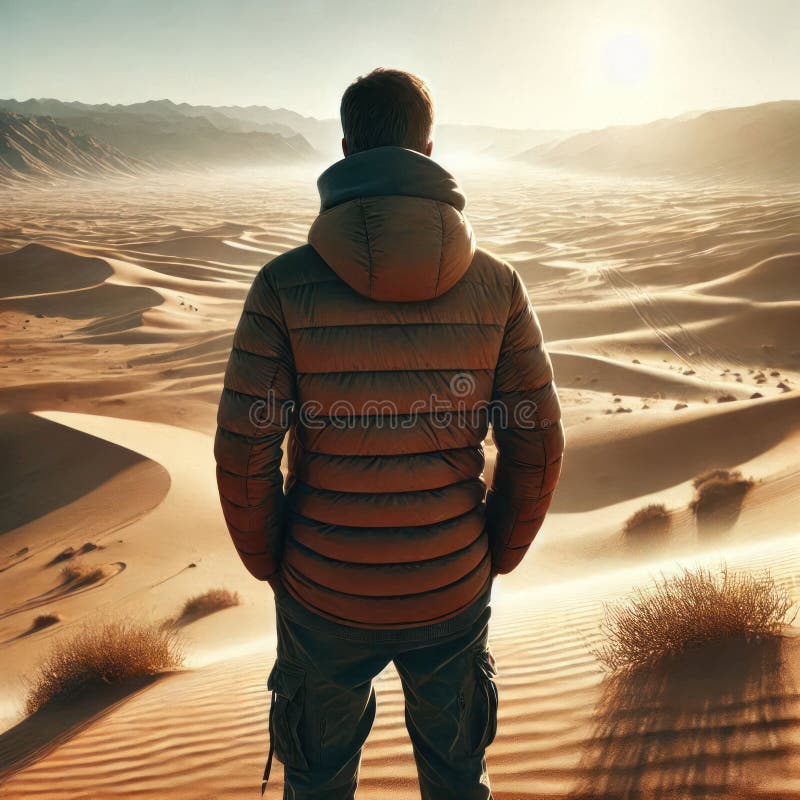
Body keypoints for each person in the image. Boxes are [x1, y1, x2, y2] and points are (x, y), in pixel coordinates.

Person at [214, 67, 564, 800]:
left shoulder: (282, 286)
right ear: (429, 148)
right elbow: (535, 443)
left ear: (344, 148)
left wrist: (271, 559)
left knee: (317, 783)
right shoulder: (499, 285)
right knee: (458, 778)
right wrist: (490, 550)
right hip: (452, 586)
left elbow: (245, 451)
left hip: (322, 590)